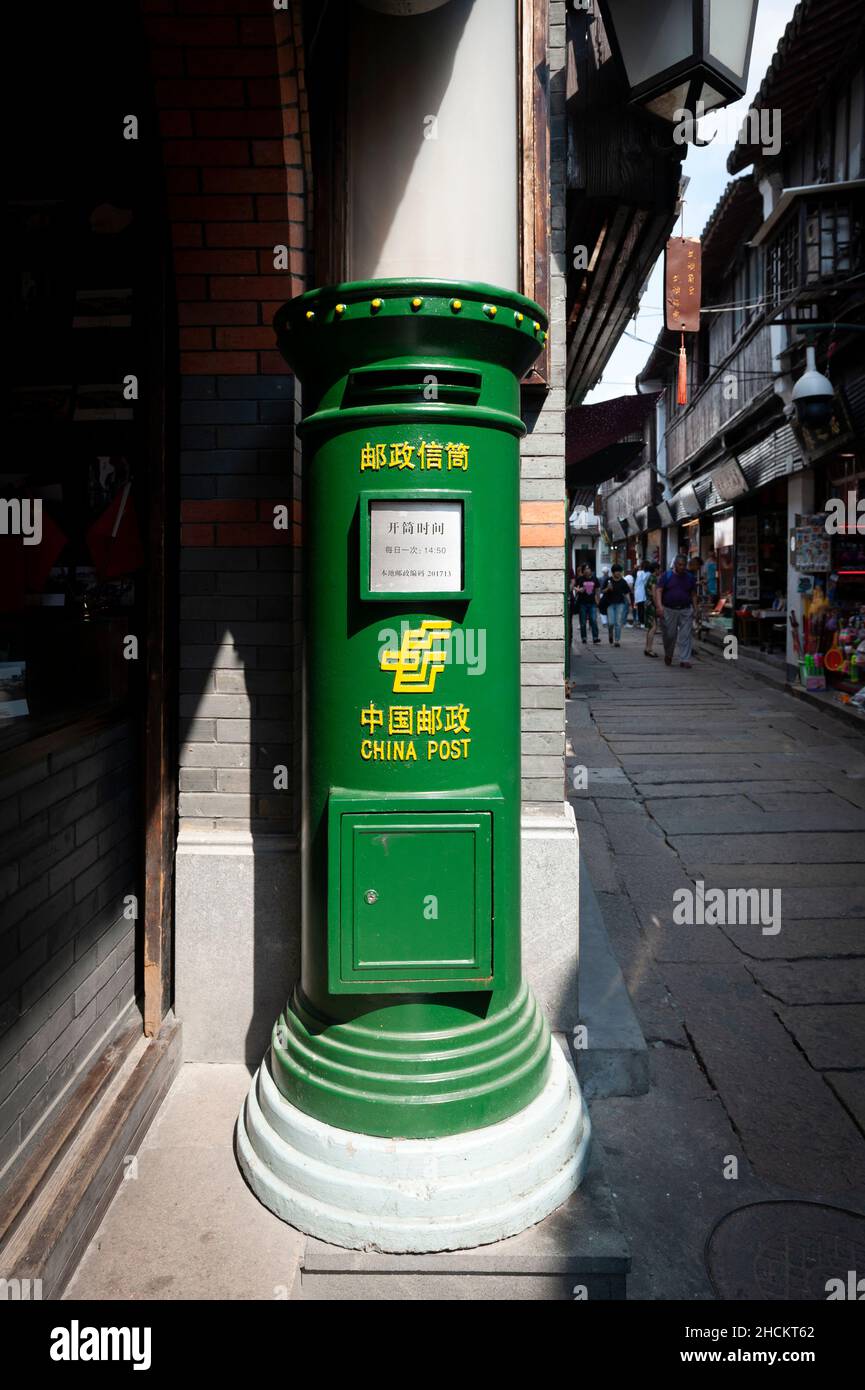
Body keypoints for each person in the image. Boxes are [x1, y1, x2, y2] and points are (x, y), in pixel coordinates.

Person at [655, 553, 698, 668]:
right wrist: (659, 606)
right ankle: (669, 654)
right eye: (679, 565)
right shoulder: (666, 576)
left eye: (684, 565)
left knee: (685, 635)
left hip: (685, 609)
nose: (682, 567)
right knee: (670, 634)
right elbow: (659, 590)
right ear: (675, 565)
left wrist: (695, 609)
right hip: (669, 609)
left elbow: (693, 594)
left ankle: (685, 659)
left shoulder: (690, 577)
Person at [602, 563, 632, 647]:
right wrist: (608, 588)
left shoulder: (623, 581)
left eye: (620, 571)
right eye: (616, 571)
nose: (618, 573)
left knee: (618, 622)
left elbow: (626, 593)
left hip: (620, 604)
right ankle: (610, 634)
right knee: (611, 623)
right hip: (610, 604)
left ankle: (617, 640)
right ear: (613, 572)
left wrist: (630, 603)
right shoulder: (608, 580)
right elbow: (602, 591)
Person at [574, 564, 601, 644]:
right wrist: (579, 590)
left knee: (593, 620)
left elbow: (597, 590)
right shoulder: (580, 579)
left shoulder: (594, 579)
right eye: (585, 569)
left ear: (590, 570)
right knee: (583, 622)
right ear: (583, 571)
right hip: (582, 603)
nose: (587, 570)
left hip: (592, 603)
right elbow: (574, 587)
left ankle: (595, 638)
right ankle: (584, 638)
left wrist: (598, 601)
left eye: (588, 568)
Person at [643, 561, 660, 658]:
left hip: (647, 603)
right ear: (656, 569)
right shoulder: (654, 579)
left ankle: (647, 648)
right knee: (653, 627)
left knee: (650, 627)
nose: (660, 571)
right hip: (651, 604)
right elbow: (654, 593)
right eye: (659, 569)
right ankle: (649, 649)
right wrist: (657, 605)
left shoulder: (649, 578)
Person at [633, 562, 649, 628]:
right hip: (642, 593)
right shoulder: (647, 574)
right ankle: (643, 622)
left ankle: (641, 622)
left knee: (640, 608)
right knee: (643, 608)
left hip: (638, 592)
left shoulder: (638, 573)